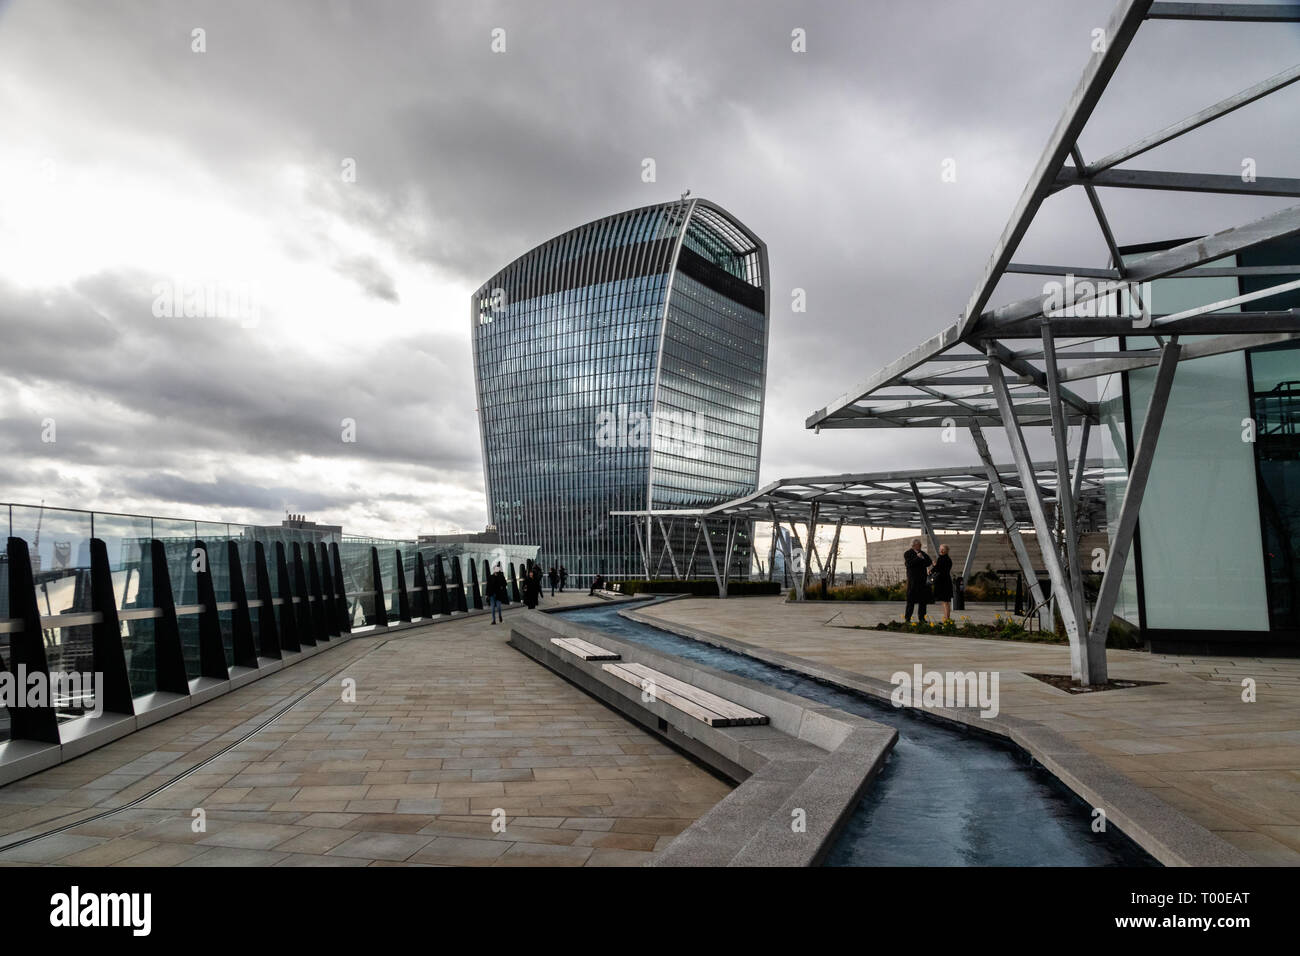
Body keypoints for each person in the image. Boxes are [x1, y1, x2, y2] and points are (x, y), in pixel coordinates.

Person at [903, 538, 932, 623]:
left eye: (920, 545)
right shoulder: (908, 553)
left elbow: (929, 562)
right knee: (910, 600)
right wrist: (918, 558)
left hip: (922, 581)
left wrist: (922, 558)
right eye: (919, 545)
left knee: (923, 601)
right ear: (914, 545)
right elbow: (909, 564)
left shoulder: (923, 553)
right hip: (913, 581)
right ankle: (907, 618)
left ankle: (922, 618)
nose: (920, 546)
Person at [930, 544, 954, 622]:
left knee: (945, 602)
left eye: (943, 549)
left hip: (944, 582)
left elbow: (938, 568)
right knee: (944, 602)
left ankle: (947, 619)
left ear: (947, 550)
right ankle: (946, 619)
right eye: (940, 549)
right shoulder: (947, 559)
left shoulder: (942, 558)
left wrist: (934, 565)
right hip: (945, 581)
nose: (941, 550)